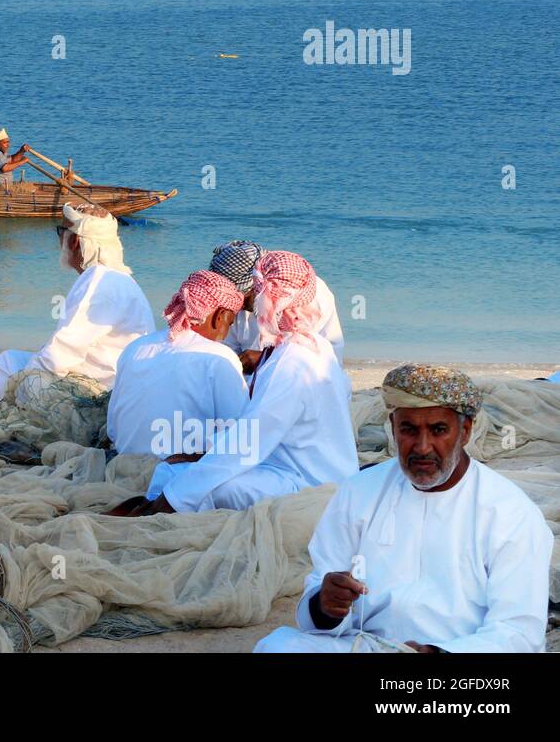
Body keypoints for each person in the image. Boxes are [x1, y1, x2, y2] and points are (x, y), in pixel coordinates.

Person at [256, 364, 552, 652]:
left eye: (438, 430)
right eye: (409, 430)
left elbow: (518, 631)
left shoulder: (509, 512)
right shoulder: (359, 491)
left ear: (465, 432)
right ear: (393, 428)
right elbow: (320, 604)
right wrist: (325, 605)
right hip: (368, 645)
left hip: (459, 651)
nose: (422, 447)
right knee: (277, 646)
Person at [124, 250, 357, 515]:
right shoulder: (314, 346)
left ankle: (155, 513)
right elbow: (253, 432)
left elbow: (250, 440)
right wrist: (206, 452)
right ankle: (155, 506)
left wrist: (174, 498)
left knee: (196, 486)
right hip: (288, 466)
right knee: (173, 469)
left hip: (307, 483)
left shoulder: (293, 361)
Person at [0, 202, 154, 403]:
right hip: (122, 383)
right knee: (19, 361)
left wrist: (25, 381)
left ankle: (3, 417)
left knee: (8, 363)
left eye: (60, 231)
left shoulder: (97, 279)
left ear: (74, 241)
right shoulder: (123, 279)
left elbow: (60, 354)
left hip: (99, 390)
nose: (59, 238)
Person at [106, 270, 249, 459]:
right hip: (177, 470)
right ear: (220, 316)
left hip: (124, 462)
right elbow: (240, 435)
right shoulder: (219, 356)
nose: (227, 332)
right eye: (230, 324)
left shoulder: (135, 347)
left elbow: (113, 430)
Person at [209, 239, 344, 369]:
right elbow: (225, 349)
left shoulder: (311, 297)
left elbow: (330, 359)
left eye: (242, 296)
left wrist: (266, 358)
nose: (235, 304)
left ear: (260, 285)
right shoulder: (234, 306)